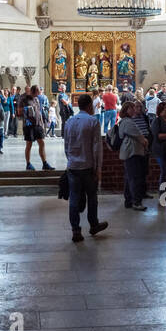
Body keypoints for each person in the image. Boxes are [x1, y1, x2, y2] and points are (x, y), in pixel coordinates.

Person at [63, 93, 108, 243]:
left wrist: (71, 160)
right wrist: (98, 168)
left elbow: (66, 146)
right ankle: (93, 224)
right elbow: (97, 148)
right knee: (92, 197)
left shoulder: (69, 121)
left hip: (73, 166)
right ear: (90, 105)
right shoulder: (93, 122)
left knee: (74, 198)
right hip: (88, 166)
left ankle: (76, 230)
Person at [117, 100, 149, 210]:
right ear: (127, 110)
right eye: (132, 108)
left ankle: (129, 200)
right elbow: (140, 137)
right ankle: (136, 202)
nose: (134, 109)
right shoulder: (128, 122)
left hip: (132, 152)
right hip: (132, 152)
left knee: (129, 177)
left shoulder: (126, 121)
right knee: (135, 178)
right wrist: (145, 141)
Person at [23, 84, 53, 171]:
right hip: (29, 125)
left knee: (42, 143)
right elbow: (22, 112)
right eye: (38, 91)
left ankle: (45, 163)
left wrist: (41, 123)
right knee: (29, 144)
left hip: (37, 125)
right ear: (34, 91)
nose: (39, 93)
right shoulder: (25, 100)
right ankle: (28, 164)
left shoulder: (37, 99)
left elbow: (39, 111)